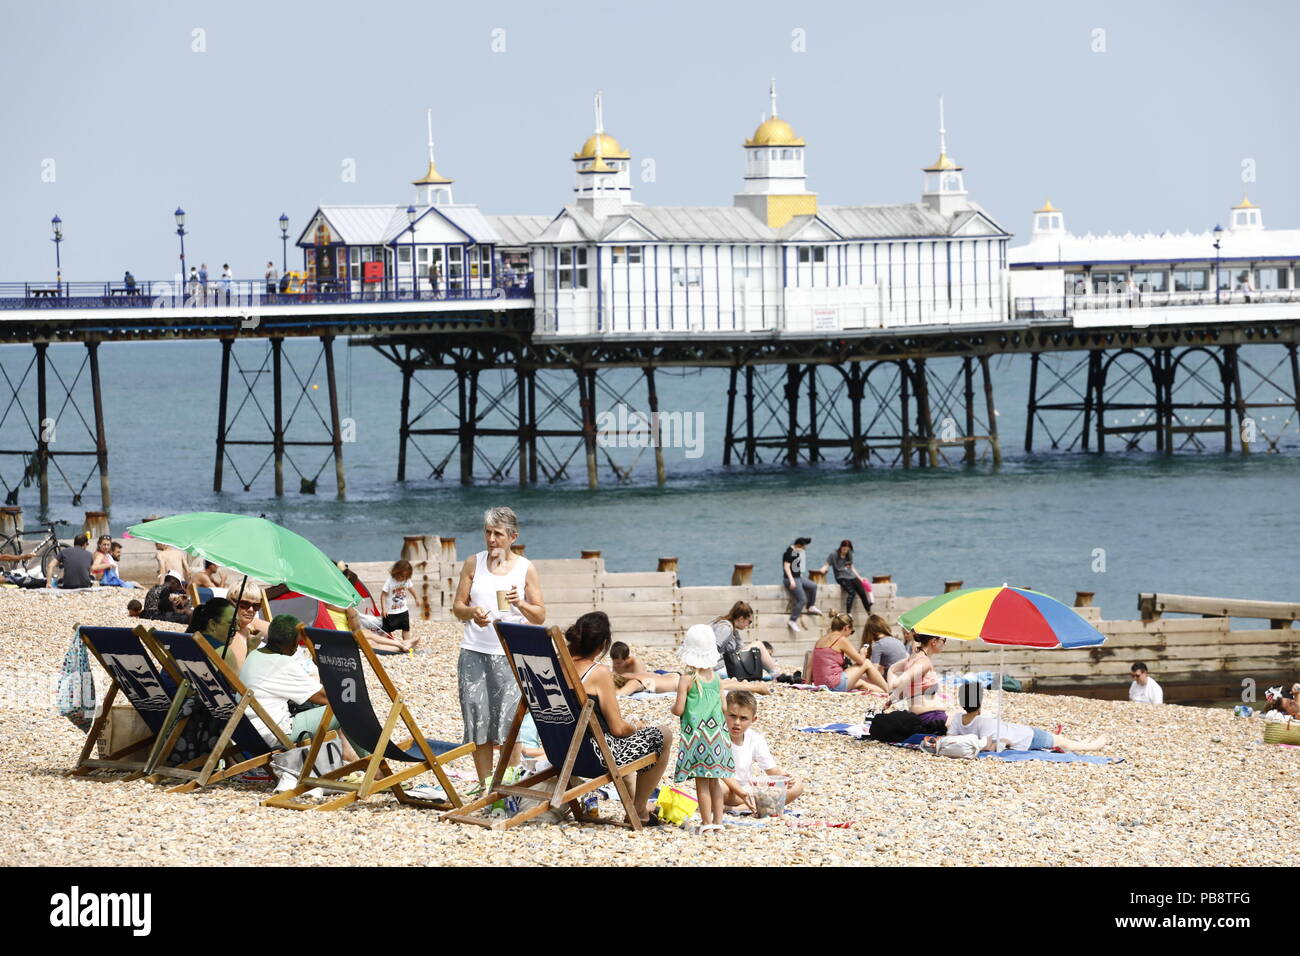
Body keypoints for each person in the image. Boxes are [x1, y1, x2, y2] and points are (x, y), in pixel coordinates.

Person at [452, 506, 546, 786]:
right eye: (487, 532)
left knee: (509, 726)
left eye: (498, 534)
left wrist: (520, 603)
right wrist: (472, 613)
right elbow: (458, 607)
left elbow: (540, 615)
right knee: (478, 722)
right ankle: (485, 787)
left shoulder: (525, 568)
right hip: (473, 651)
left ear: (513, 536)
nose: (491, 539)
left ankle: (508, 786)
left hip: (510, 654)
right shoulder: (473, 563)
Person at [562, 613, 674, 825]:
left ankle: (635, 803)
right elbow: (617, 729)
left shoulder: (557, 666)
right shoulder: (598, 672)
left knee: (625, 745)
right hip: (594, 755)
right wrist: (634, 727)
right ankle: (639, 811)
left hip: (561, 749)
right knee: (664, 735)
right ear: (603, 645)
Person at [239, 614, 359, 762]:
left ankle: (341, 756)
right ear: (293, 643)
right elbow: (328, 698)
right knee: (346, 709)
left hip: (247, 733)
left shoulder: (255, 654)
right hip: (273, 735)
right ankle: (374, 765)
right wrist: (323, 666)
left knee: (313, 704)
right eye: (298, 641)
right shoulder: (282, 663)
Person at [672, 624, 735, 834]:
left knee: (701, 782)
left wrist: (672, 708)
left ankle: (706, 822)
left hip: (698, 738)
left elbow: (679, 709)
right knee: (714, 781)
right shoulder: (717, 679)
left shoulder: (686, 679)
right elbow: (725, 707)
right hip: (717, 736)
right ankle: (719, 822)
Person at [950, 681, 1107, 753]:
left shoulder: (958, 718)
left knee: (1062, 741)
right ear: (980, 701)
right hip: (1027, 737)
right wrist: (1002, 742)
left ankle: (1084, 743)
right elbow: (988, 746)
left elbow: (950, 738)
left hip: (1024, 733)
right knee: (1064, 743)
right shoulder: (985, 722)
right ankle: (1091, 746)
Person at [719, 690, 804, 811]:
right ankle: (747, 807)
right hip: (728, 789)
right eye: (732, 716)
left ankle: (735, 809)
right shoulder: (717, 736)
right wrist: (741, 793)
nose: (737, 722)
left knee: (797, 786)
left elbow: (771, 770)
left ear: (753, 720)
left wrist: (784, 778)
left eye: (743, 718)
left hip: (746, 790)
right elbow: (719, 772)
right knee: (716, 786)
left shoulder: (755, 739)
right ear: (724, 713)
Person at [810, 611, 889, 692]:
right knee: (867, 663)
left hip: (821, 684)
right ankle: (889, 690)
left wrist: (807, 684)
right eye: (852, 631)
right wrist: (863, 652)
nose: (850, 634)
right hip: (833, 685)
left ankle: (886, 692)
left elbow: (810, 665)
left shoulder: (820, 640)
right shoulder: (840, 640)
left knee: (861, 682)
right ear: (846, 628)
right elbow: (861, 661)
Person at [711, 600, 784, 678]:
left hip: (723, 667)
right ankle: (776, 674)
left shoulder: (732, 630)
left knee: (756, 648)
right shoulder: (725, 628)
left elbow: (740, 650)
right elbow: (712, 648)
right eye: (749, 622)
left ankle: (775, 672)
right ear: (741, 618)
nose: (748, 625)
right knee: (758, 644)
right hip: (718, 669)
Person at [888, 631, 949, 718]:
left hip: (923, 715)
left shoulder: (912, 658)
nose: (945, 644)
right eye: (944, 640)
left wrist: (893, 696)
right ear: (934, 641)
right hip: (930, 717)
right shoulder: (923, 663)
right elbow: (897, 683)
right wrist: (893, 691)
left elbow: (892, 669)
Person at [187, 597, 247, 669]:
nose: (237, 628)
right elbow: (238, 680)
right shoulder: (224, 652)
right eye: (232, 623)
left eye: (237, 623)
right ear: (212, 624)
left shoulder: (184, 642)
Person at [820, 539, 872, 615]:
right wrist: (823, 570)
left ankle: (869, 612)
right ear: (841, 547)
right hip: (841, 577)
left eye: (847, 550)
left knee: (862, 593)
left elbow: (852, 567)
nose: (845, 551)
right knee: (852, 593)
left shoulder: (849, 554)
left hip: (851, 576)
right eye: (844, 549)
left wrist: (860, 578)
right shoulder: (834, 554)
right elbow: (826, 565)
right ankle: (849, 613)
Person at [782, 536, 821, 632]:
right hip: (790, 579)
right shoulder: (789, 552)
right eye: (803, 548)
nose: (804, 549)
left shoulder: (798, 552)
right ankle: (792, 620)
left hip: (798, 577)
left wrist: (801, 576)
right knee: (802, 599)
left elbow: (797, 567)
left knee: (813, 586)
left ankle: (810, 606)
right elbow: (786, 567)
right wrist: (791, 581)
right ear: (798, 546)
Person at [381, 559, 417, 651]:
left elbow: (411, 589)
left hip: (403, 610)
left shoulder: (406, 580)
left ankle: (407, 644)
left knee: (406, 629)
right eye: (401, 576)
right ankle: (383, 645)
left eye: (405, 577)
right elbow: (383, 595)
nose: (402, 578)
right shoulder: (390, 581)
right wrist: (384, 609)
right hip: (390, 611)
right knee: (386, 630)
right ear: (396, 571)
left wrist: (417, 598)